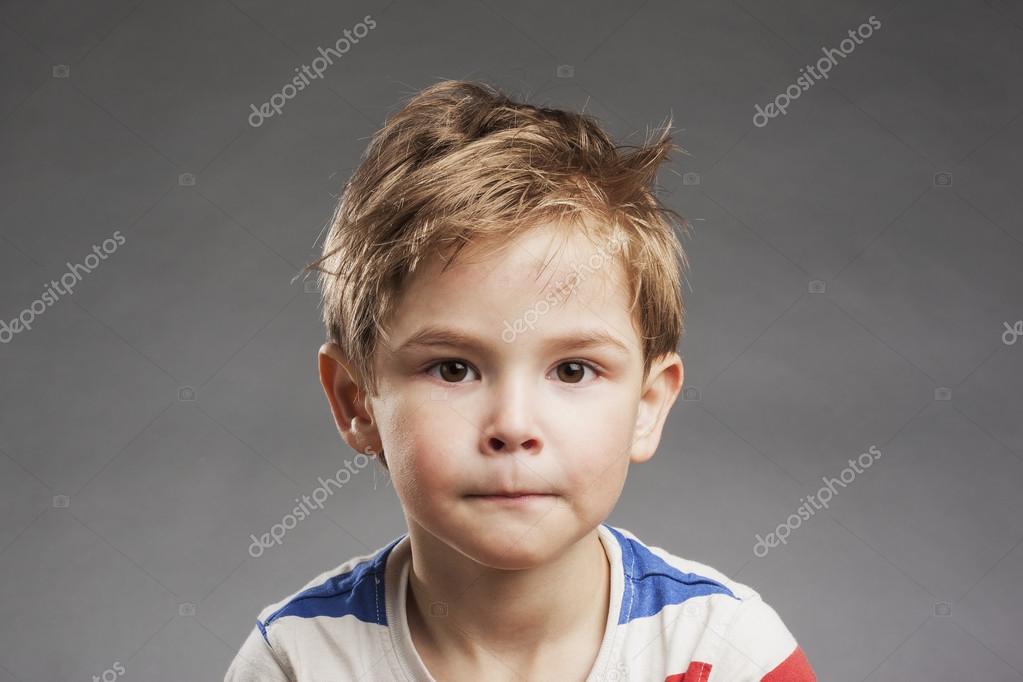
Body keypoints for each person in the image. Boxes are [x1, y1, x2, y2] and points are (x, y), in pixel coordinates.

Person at [225, 79, 817, 681]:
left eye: (572, 370)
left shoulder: (728, 652)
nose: (512, 426)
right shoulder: (297, 660)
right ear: (357, 402)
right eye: (453, 369)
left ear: (646, 405)